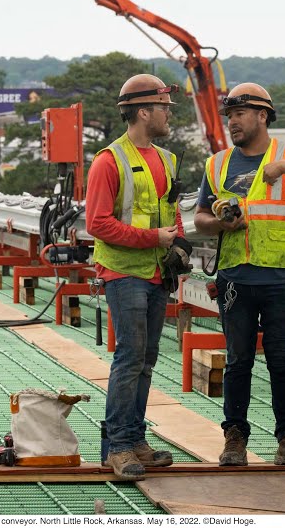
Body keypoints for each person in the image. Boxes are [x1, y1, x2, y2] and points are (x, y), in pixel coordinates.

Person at [193, 83, 285, 467]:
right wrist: (222, 225)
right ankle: (235, 440)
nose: (232, 123)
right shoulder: (218, 164)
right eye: (229, 116)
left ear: (263, 115)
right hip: (235, 279)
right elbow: (201, 218)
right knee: (238, 360)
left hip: (280, 278)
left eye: (240, 115)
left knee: (282, 359)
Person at [86, 73, 190, 480]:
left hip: (154, 274)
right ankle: (118, 446)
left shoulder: (166, 159)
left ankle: (135, 437)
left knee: (146, 360)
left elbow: (172, 212)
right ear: (144, 111)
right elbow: (97, 223)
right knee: (130, 357)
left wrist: (178, 242)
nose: (168, 115)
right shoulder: (109, 162)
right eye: (164, 107)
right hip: (124, 272)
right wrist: (153, 238)